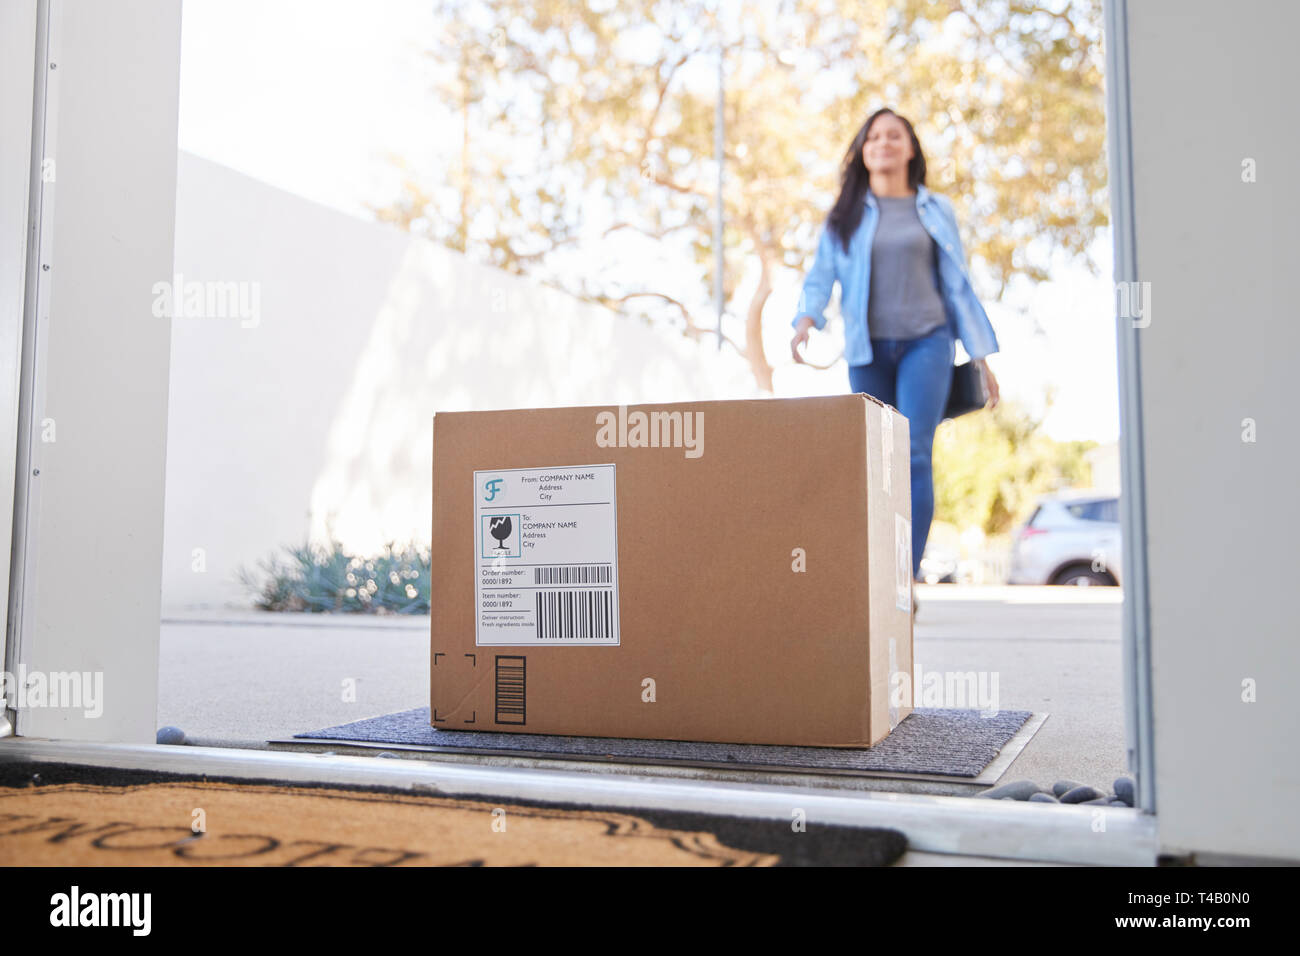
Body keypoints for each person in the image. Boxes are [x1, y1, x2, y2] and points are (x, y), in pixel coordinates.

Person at [790, 107, 1001, 618]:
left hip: (927, 343)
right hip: (868, 350)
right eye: (873, 137)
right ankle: (874, 569)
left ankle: (905, 575)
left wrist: (980, 356)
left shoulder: (935, 209)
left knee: (913, 453)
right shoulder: (845, 215)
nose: (883, 143)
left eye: (894, 136)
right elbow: (821, 275)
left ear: (910, 149)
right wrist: (805, 318)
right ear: (863, 152)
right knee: (874, 462)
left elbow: (956, 284)